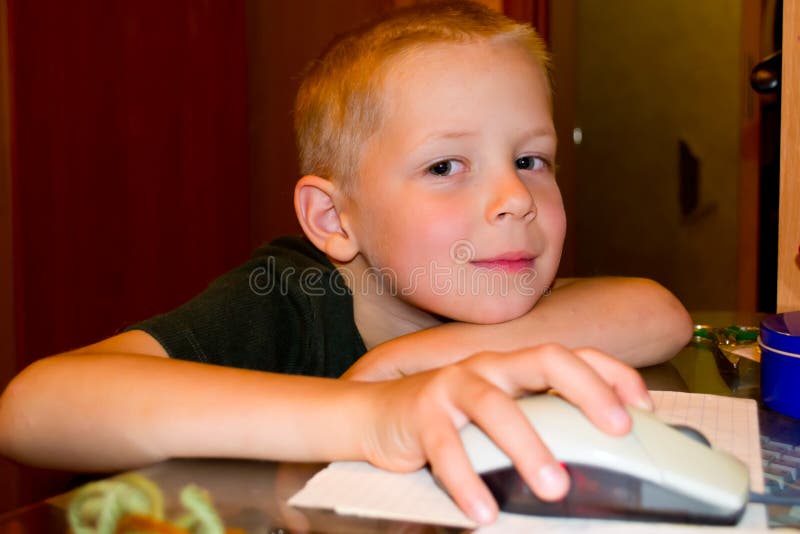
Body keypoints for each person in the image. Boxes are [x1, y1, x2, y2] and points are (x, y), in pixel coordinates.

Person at [0, 1, 692, 524]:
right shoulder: (289, 296)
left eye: (530, 160)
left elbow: (657, 314)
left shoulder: (492, 282)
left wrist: (432, 359)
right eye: (446, 165)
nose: (514, 198)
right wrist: (373, 413)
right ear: (336, 220)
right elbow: (33, 408)